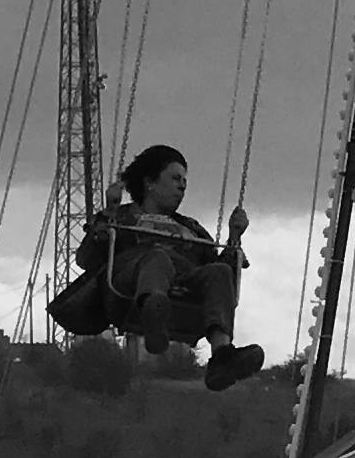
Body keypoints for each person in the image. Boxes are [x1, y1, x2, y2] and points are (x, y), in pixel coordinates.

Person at [85, 146, 262, 389]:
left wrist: (234, 238)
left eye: (185, 181)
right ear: (151, 182)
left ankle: (222, 356)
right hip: (134, 281)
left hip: (183, 287)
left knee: (218, 272)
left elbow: (221, 276)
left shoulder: (192, 229)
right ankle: (152, 309)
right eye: (175, 178)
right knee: (157, 256)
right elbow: (87, 259)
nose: (182, 186)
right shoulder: (124, 218)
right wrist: (108, 214)